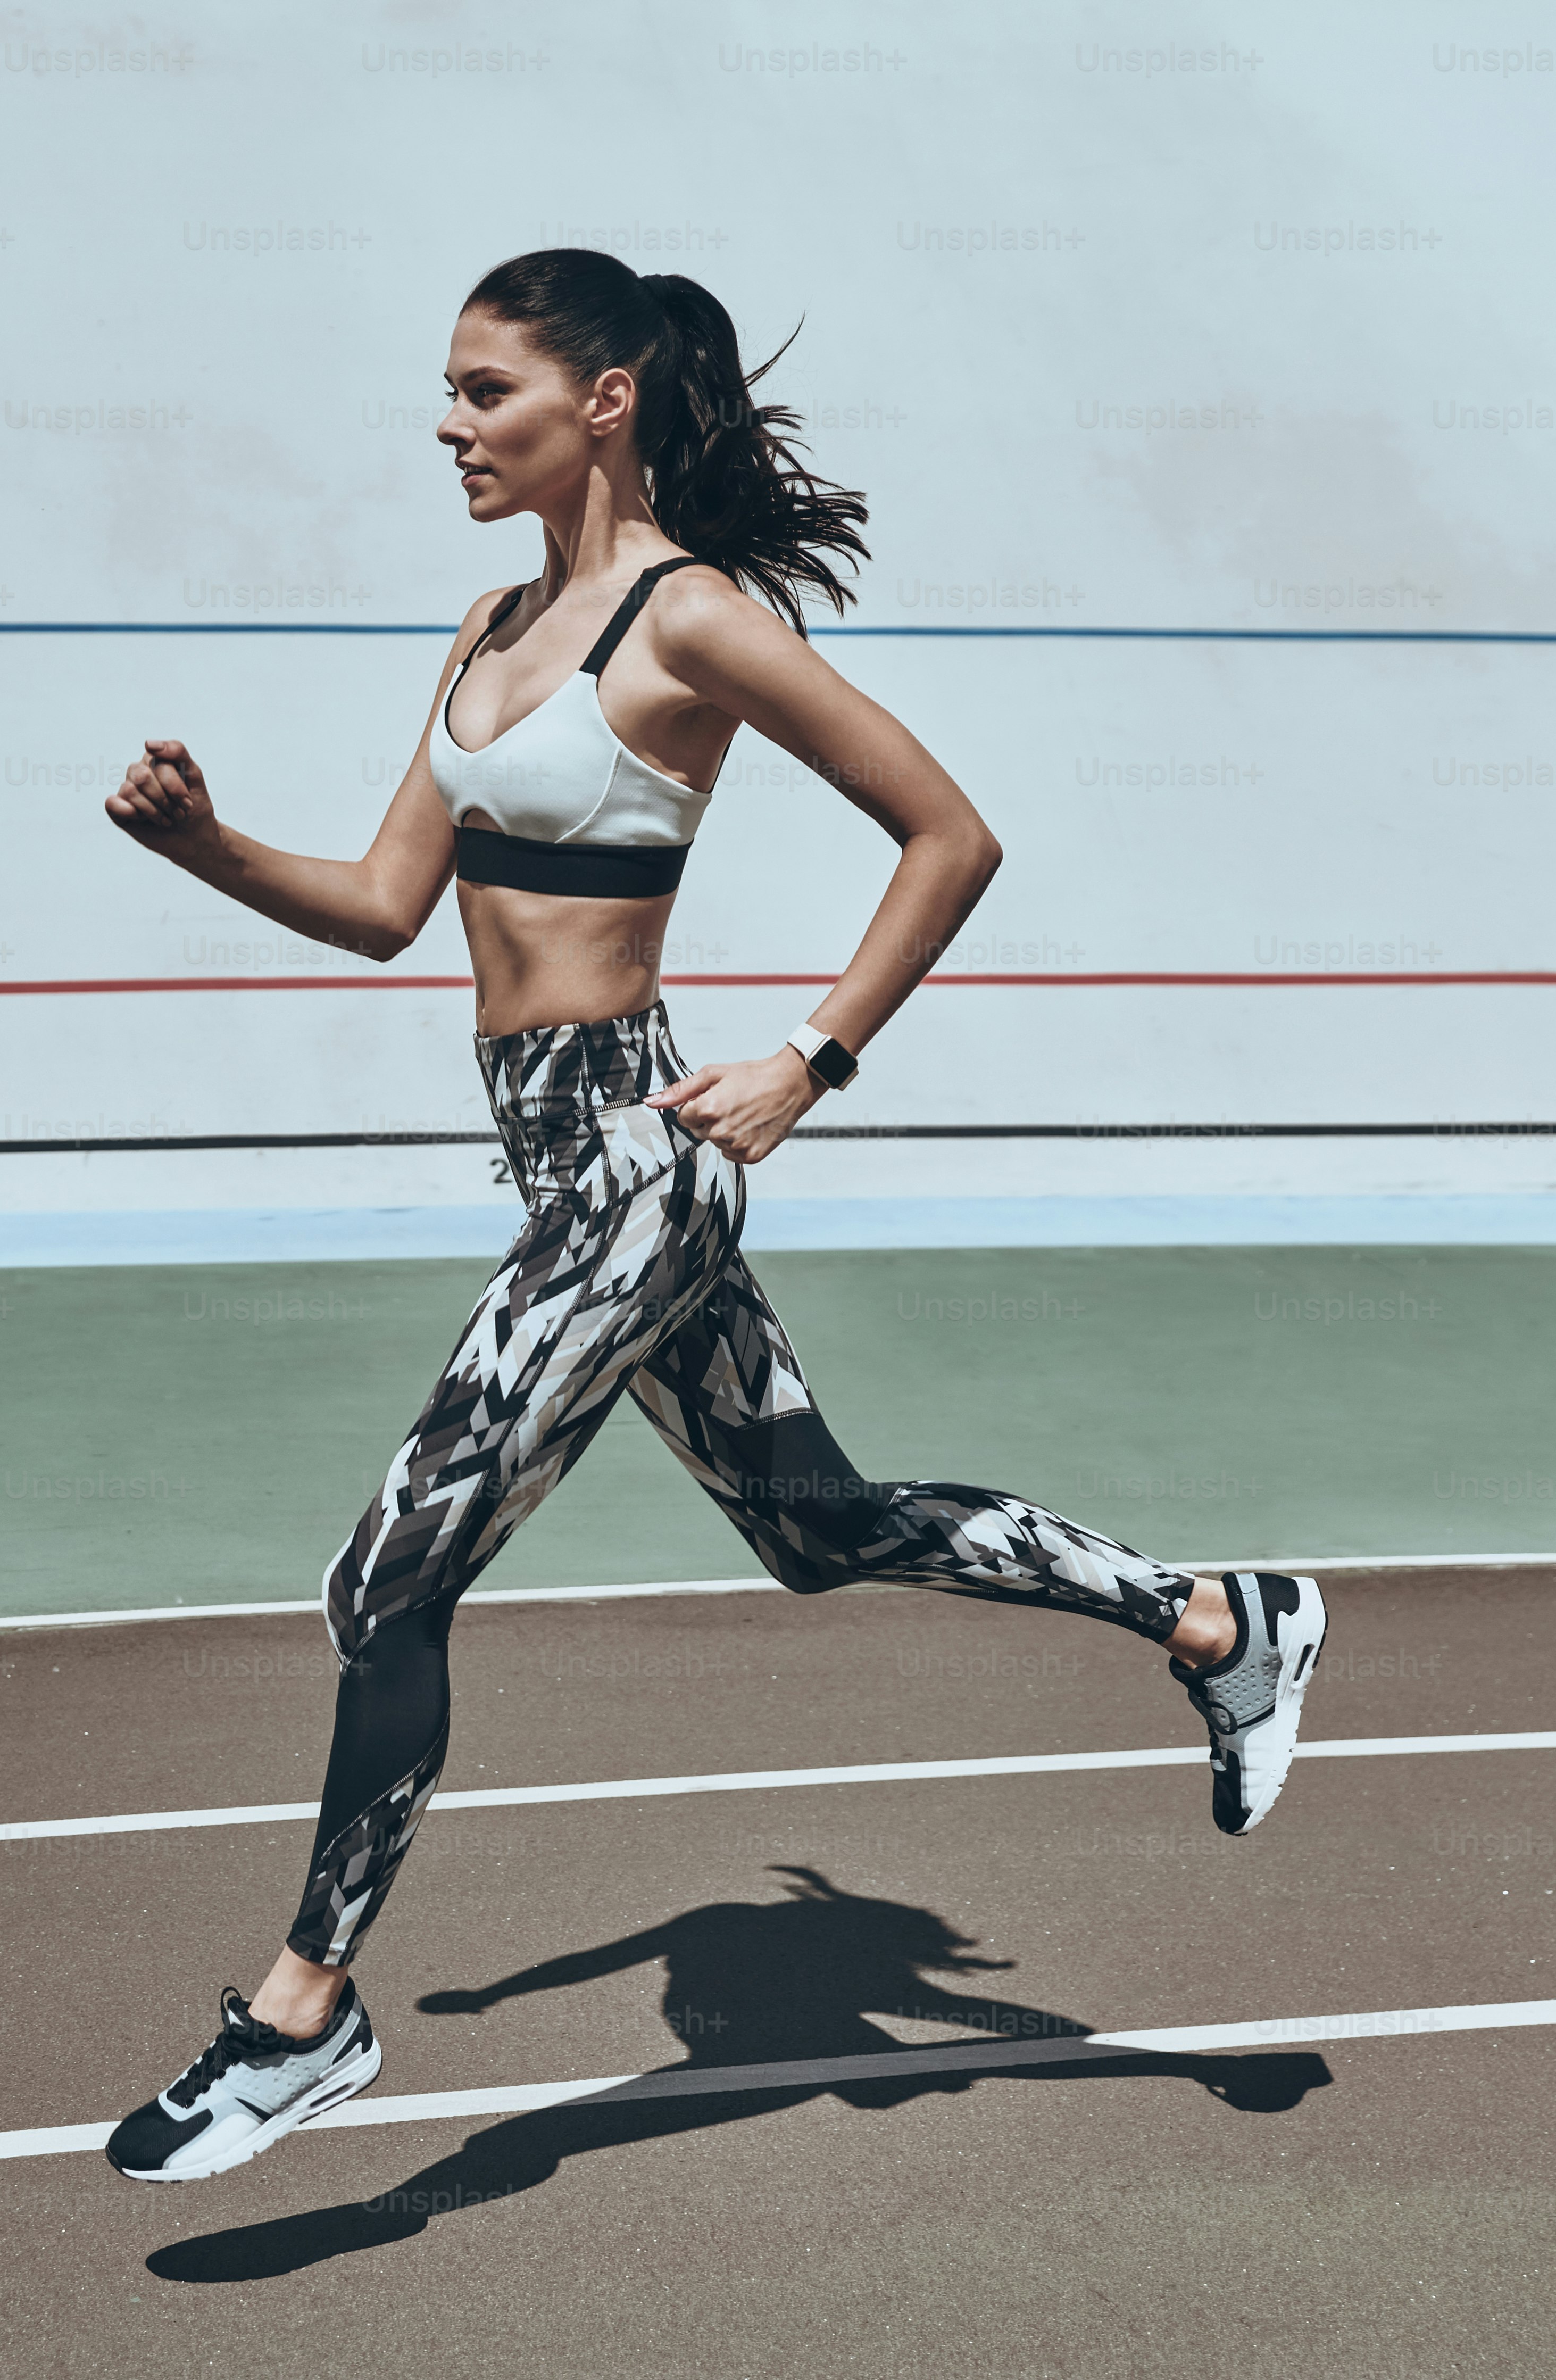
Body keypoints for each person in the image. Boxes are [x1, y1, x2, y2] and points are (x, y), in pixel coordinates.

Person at [93, 250, 1328, 2186]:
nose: (446, 424)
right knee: (818, 1530)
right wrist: (206, 847)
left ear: (601, 403)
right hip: (564, 1167)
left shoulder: (695, 623)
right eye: (443, 388)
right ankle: (1212, 1616)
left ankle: (297, 2018)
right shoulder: (491, 627)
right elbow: (386, 906)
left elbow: (953, 834)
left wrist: (809, 1061)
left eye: (483, 390)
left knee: (387, 1577)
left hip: (637, 1162)